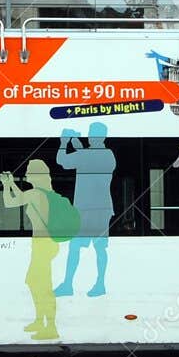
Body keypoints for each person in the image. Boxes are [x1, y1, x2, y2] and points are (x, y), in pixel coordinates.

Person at [0, 162, 61, 341]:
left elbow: (10, 202)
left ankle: (50, 327)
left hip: (42, 244)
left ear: (36, 175)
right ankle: (40, 320)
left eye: (28, 173)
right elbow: (21, 196)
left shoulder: (35, 194)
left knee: (42, 285)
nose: (26, 176)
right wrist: (11, 183)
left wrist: (6, 185)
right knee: (36, 283)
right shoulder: (44, 194)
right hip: (45, 243)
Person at [54, 123, 115, 298]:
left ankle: (67, 285)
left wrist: (64, 142)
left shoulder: (84, 154)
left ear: (92, 136)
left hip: (84, 209)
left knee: (74, 247)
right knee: (100, 248)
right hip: (102, 208)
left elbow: (62, 161)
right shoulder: (109, 155)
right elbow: (86, 158)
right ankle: (101, 283)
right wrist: (76, 143)